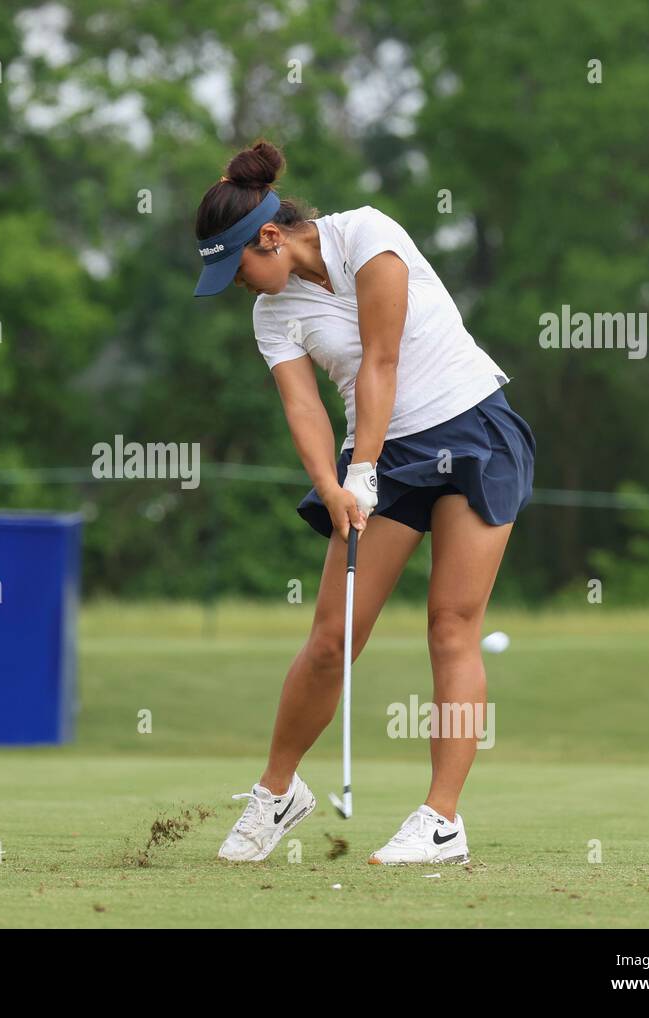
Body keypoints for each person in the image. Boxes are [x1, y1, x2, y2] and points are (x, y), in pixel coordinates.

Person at [192, 139, 535, 865]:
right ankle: (277, 794)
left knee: (451, 626)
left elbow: (382, 358)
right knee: (331, 639)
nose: (240, 285)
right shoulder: (271, 316)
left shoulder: (369, 237)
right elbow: (305, 411)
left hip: (474, 428)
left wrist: (366, 467)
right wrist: (333, 483)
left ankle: (441, 822)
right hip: (385, 458)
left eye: (240, 267)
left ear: (272, 236)